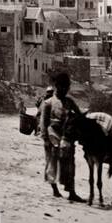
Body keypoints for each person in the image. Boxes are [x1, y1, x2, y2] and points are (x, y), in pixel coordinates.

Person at [39, 72, 83, 201]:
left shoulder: (70, 102)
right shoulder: (48, 103)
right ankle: (55, 190)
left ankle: (72, 192)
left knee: (70, 164)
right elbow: (44, 123)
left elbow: (79, 116)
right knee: (52, 163)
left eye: (66, 87)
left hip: (67, 136)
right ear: (57, 86)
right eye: (62, 87)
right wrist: (46, 139)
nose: (64, 90)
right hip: (52, 135)